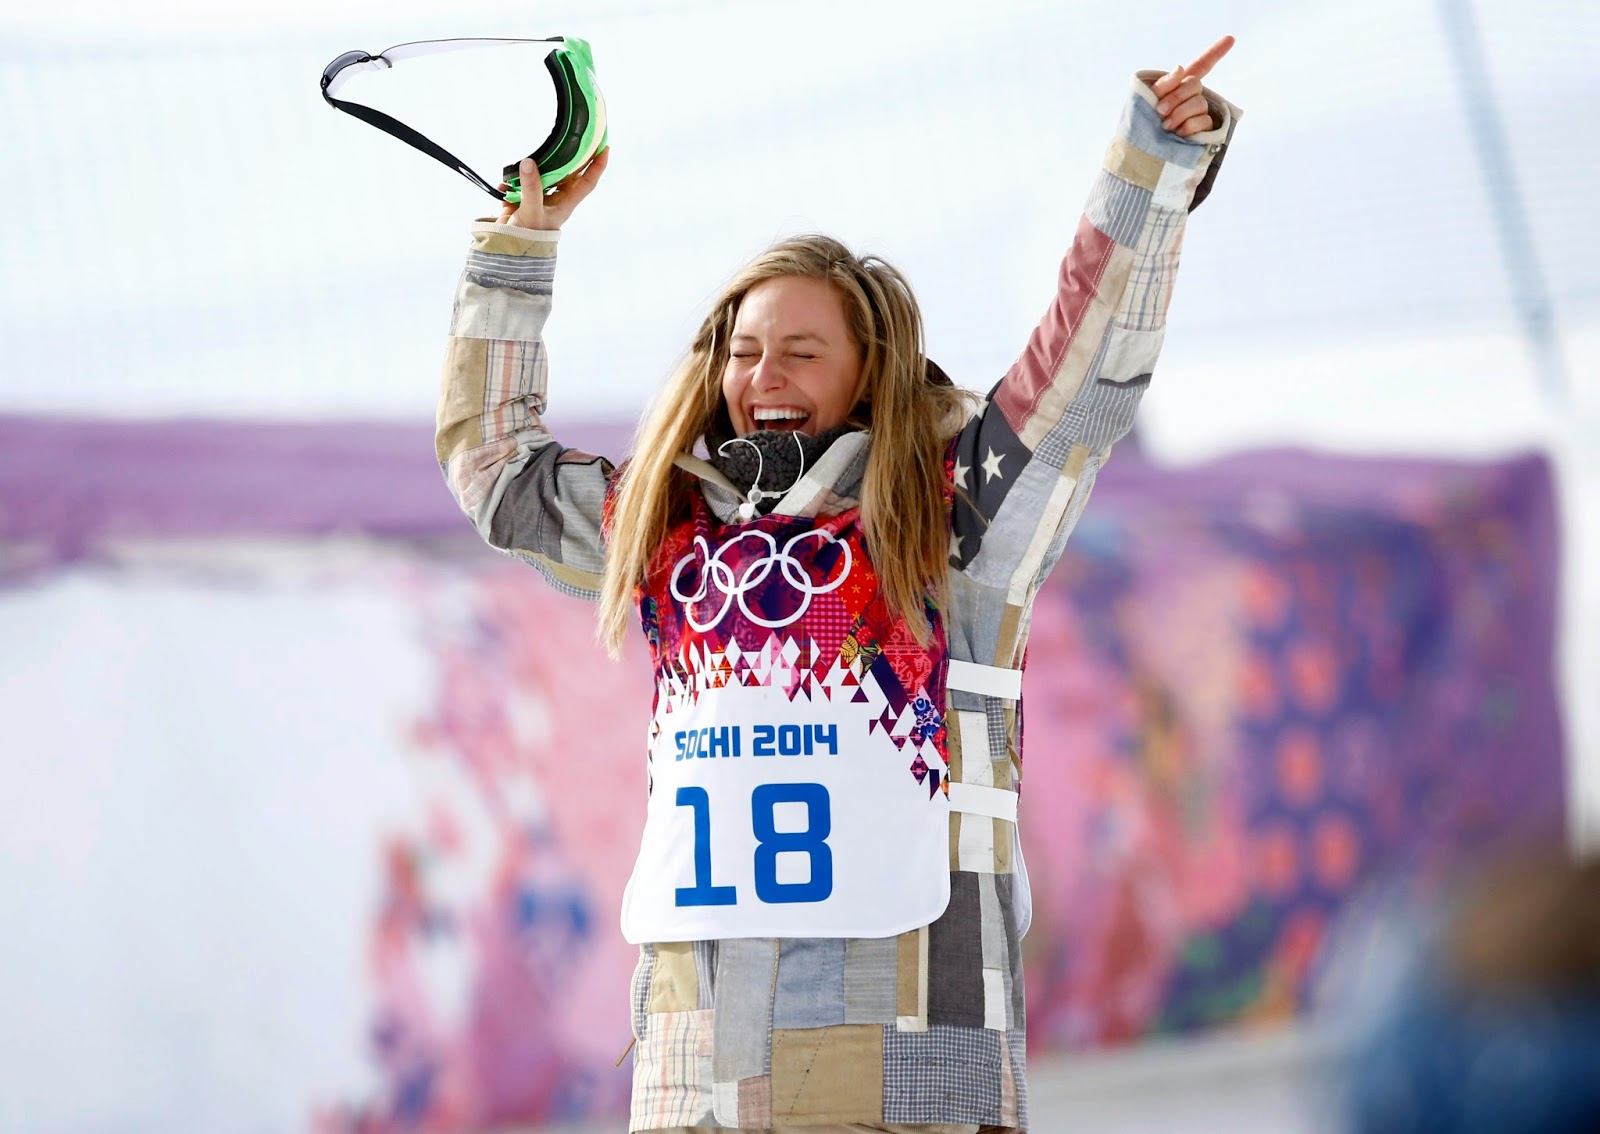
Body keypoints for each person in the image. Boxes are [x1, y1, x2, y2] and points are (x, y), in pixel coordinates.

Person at [435, 36, 1241, 1134]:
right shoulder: (664, 528)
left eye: (801, 352)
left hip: (905, 1067)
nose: (762, 376)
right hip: (695, 1071)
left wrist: (1151, 169)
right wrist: (517, 248)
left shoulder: (951, 520)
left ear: (870, 373)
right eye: (742, 350)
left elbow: (1078, 383)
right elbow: (495, 468)